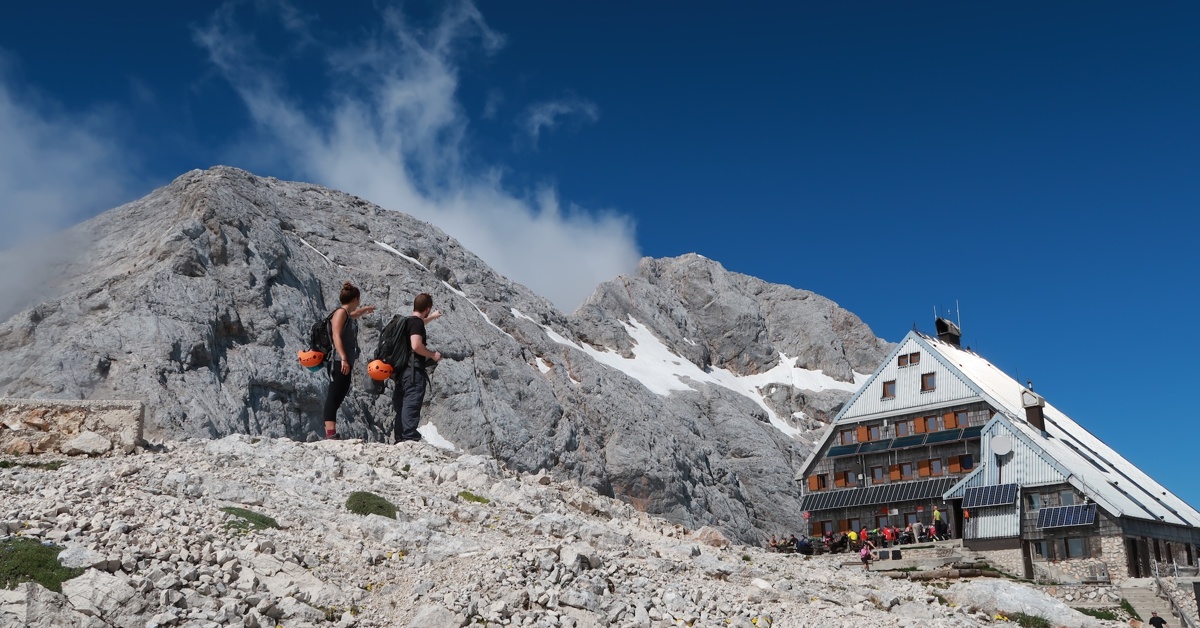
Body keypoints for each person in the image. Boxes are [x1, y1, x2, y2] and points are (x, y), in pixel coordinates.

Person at [323, 282, 375, 439]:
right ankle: (330, 434)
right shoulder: (340, 313)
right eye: (359, 300)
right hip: (339, 360)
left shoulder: (346, 313)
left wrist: (364, 310)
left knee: (340, 393)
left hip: (345, 361)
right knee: (334, 395)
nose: (359, 302)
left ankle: (331, 432)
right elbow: (336, 335)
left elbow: (353, 315)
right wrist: (344, 358)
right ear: (355, 299)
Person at [393, 293, 443, 443]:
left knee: (401, 405)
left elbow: (419, 322)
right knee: (411, 401)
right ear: (427, 308)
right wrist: (432, 355)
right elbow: (416, 345)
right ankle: (409, 435)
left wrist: (433, 317)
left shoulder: (407, 322)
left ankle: (400, 437)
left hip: (401, 372)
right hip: (413, 371)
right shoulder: (417, 324)